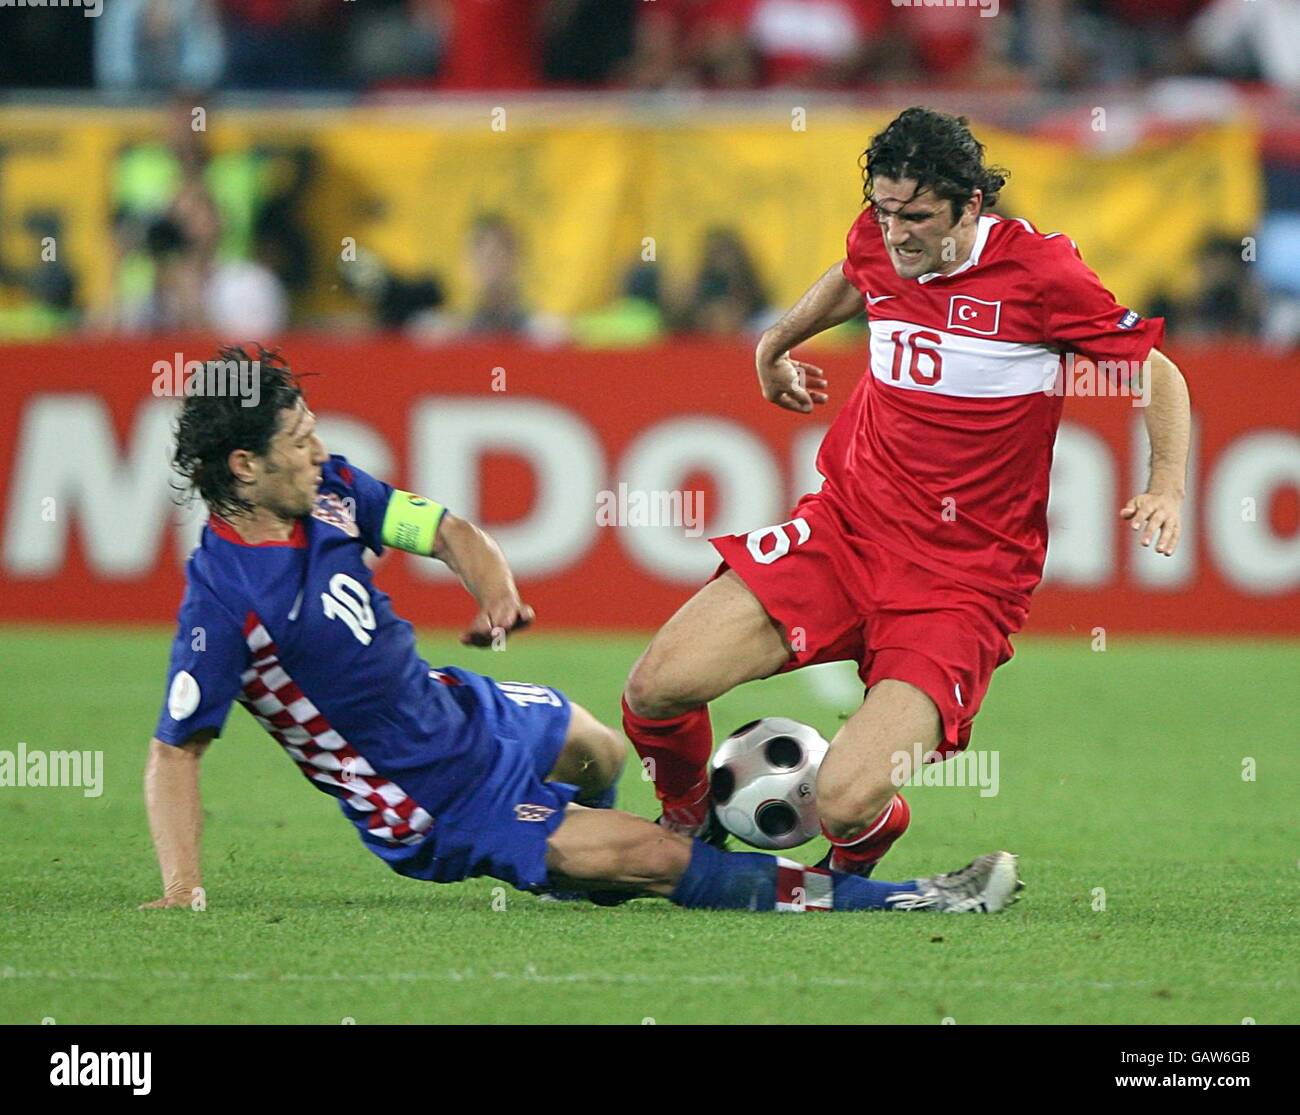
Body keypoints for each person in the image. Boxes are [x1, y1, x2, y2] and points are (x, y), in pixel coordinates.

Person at [142, 345, 1022, 915]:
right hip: (436, 800)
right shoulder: (224, 606)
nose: (317, 446)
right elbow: (174, 752)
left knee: (601, 748)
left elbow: (446, 531)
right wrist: (183, 887)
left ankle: (579, 866)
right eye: (296, 440)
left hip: (463, 706)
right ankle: (905, 898)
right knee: (654, 860)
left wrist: (496, 592)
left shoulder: (330, 489)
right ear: (244, 467)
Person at [622, 107, 1191, 878]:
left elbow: (1156, 372)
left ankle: (858, 848)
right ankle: (687, 822)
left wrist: (1166, 485)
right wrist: (777, 341)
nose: (896, 232)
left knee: (844, 797)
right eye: (885, 210)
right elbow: (855, 275)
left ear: (969, 206)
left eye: (917, 216)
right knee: (657, 688)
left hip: (960, 583)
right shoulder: (882, 236)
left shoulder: (1041, 276)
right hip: (845, 532)